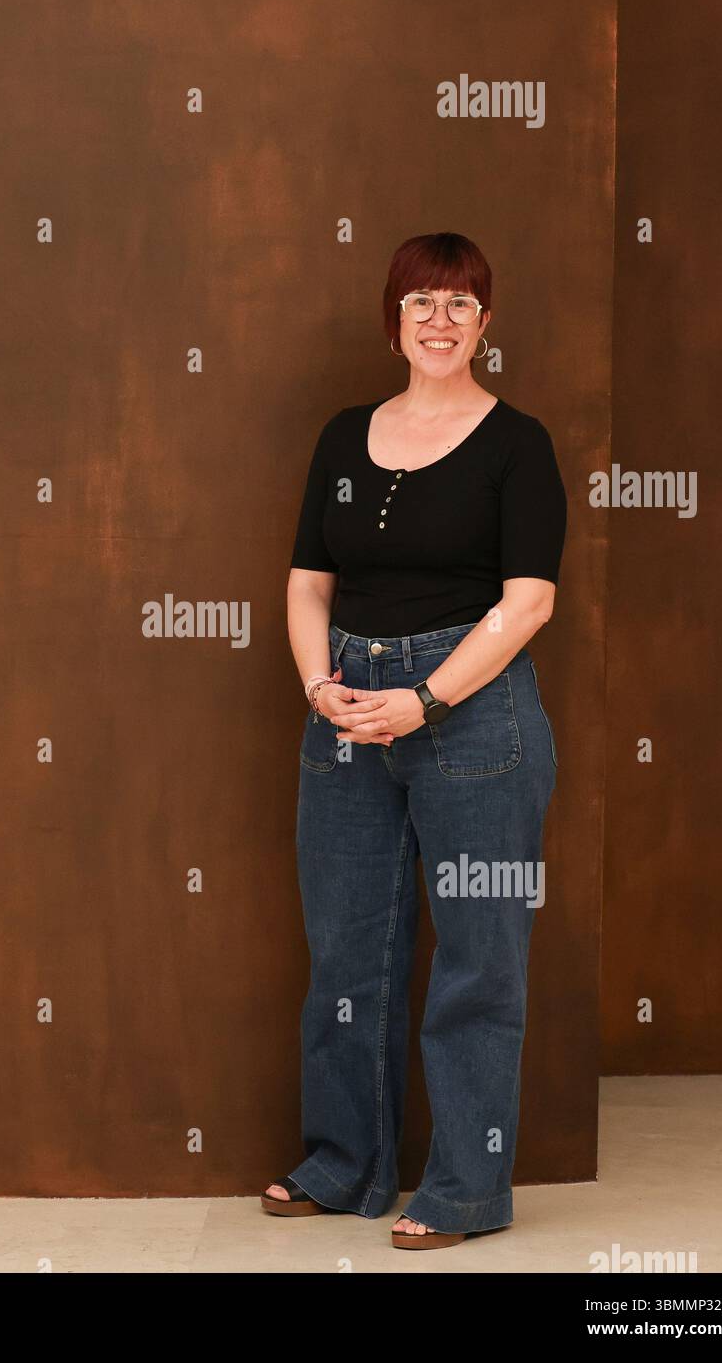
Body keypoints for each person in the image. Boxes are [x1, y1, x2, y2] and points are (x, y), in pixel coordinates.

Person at [266, 231, 566, 1250]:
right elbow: (309, 584)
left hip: (475, 717)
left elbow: (528, 603)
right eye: (421, 303)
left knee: (480, 959)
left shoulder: (517, 442)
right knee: (348, 952)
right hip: (345, 711)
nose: (439, 321)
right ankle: (346, 1164)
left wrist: (426, 699)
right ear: (393, 318)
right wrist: (320, 684)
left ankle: (466, 1190)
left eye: (460, 304)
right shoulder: (344, 436)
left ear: (485, 322)